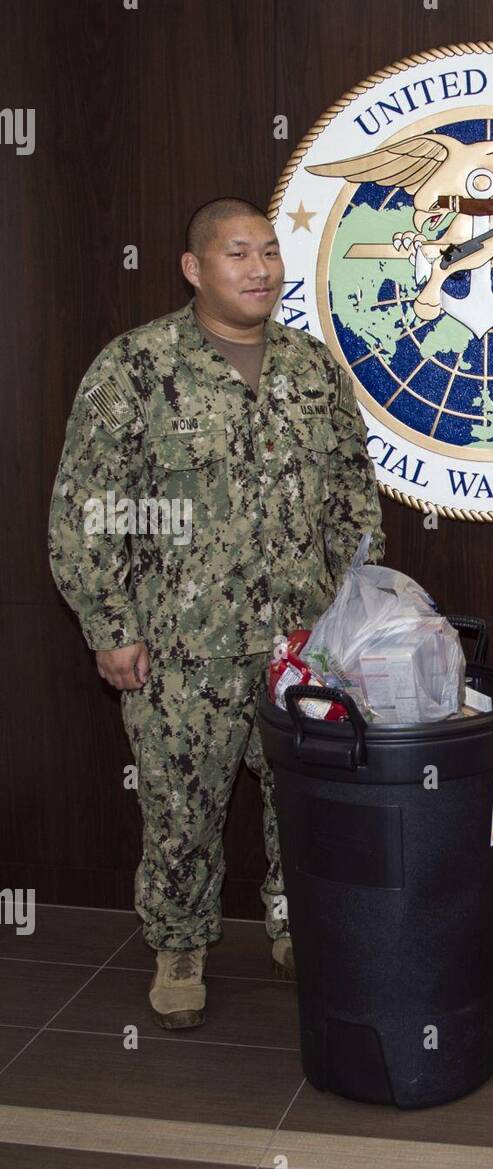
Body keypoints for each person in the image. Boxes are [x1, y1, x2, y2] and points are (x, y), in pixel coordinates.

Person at [48, 198, 384, 1028]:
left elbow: (351, 494)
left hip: (301, 641)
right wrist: (110, 624)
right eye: (238, 254)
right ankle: (179, 945)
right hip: (179, 644)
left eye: (269, 252)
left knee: (300, 799)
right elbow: (88, 506)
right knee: (179, 801)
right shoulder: (135, 368)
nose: (260, 269)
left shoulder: (312, 368)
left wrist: (354, 611)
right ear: (195, 268)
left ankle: (293, 925)